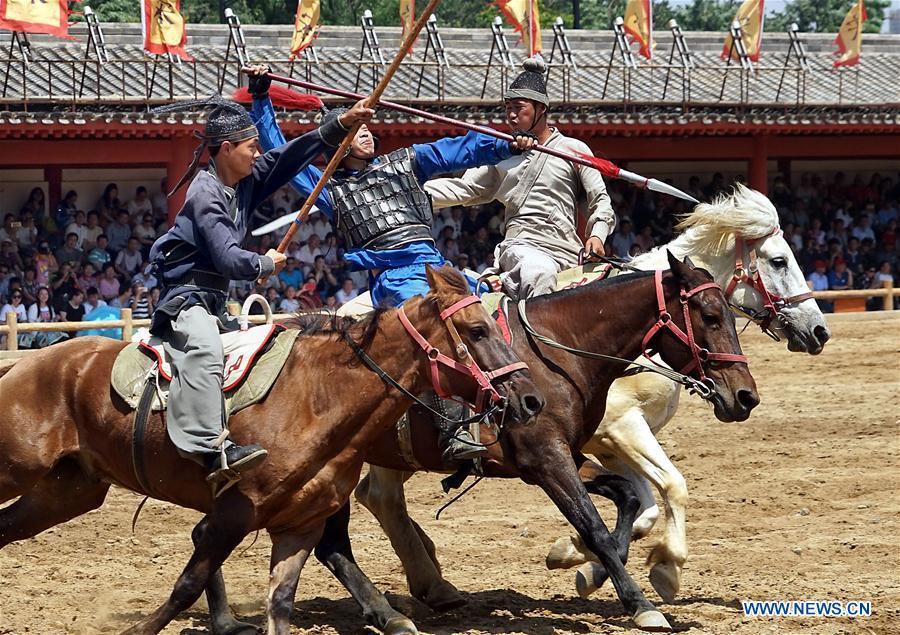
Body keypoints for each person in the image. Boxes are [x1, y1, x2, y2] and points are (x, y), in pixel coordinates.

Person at [250, 67, 534, 462]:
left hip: (439, 267)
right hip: (397, 279)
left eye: (366, 127)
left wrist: (506, 145)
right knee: (436, 331)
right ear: (338, 144)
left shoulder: (406, 161)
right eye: (354, 130)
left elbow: (459, 149)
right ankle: (455, 430)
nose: (366, 132)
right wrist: (261, 99)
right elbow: (281, 152)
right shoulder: (328, 187)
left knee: (500, 314)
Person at [149, 87, 373, 483]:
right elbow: (229, 259)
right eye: (251, 147)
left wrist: (340, 125)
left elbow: (288, 158)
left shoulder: (244, 181)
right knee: (204, 350)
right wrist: (264, 263)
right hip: (185, 300)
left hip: (216, 302)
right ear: (225, 149)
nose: (257, 154)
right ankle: (208, 448)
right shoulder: (205, 193)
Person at [425, 57, 616, 299]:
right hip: (523, 247)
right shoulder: (502, 152)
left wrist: (598, 234)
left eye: (519, 108)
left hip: (568, 250)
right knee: (540, 274)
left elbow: (600, 199)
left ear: (541, 109)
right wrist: (411, 193)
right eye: (508, 109)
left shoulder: (574, 149)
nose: (511, 115)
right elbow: (463, 189)